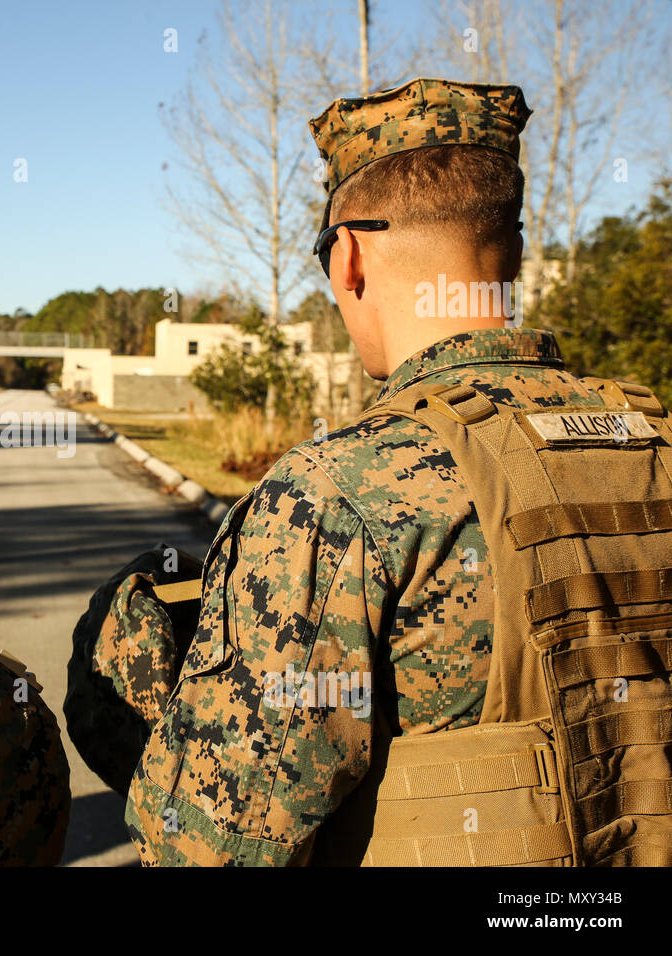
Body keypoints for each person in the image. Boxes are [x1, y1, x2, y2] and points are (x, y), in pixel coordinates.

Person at [125, 78, 672, 866]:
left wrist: (136, 687)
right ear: (511, 251)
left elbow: (206, 847)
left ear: (348, 256)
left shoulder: (338, 494)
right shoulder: (651, 441)